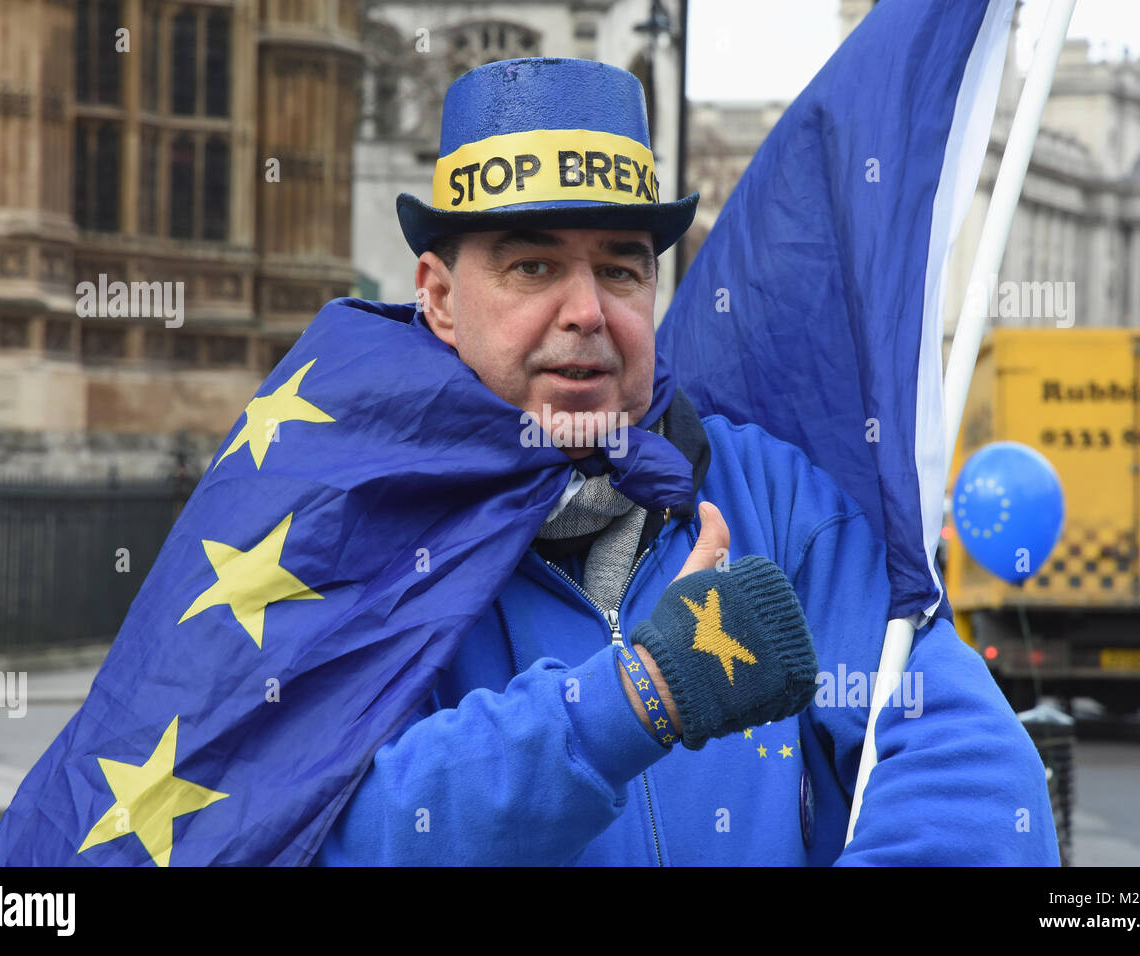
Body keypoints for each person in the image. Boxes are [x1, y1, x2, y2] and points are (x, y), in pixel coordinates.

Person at [313, 56, 1058, 866]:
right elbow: (333, 832)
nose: (588, 310)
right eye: (534, 266)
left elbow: (977, 777)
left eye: (621, 267)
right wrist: (636, 697)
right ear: (441, 296)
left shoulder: (777, 500)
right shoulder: (357, 526)